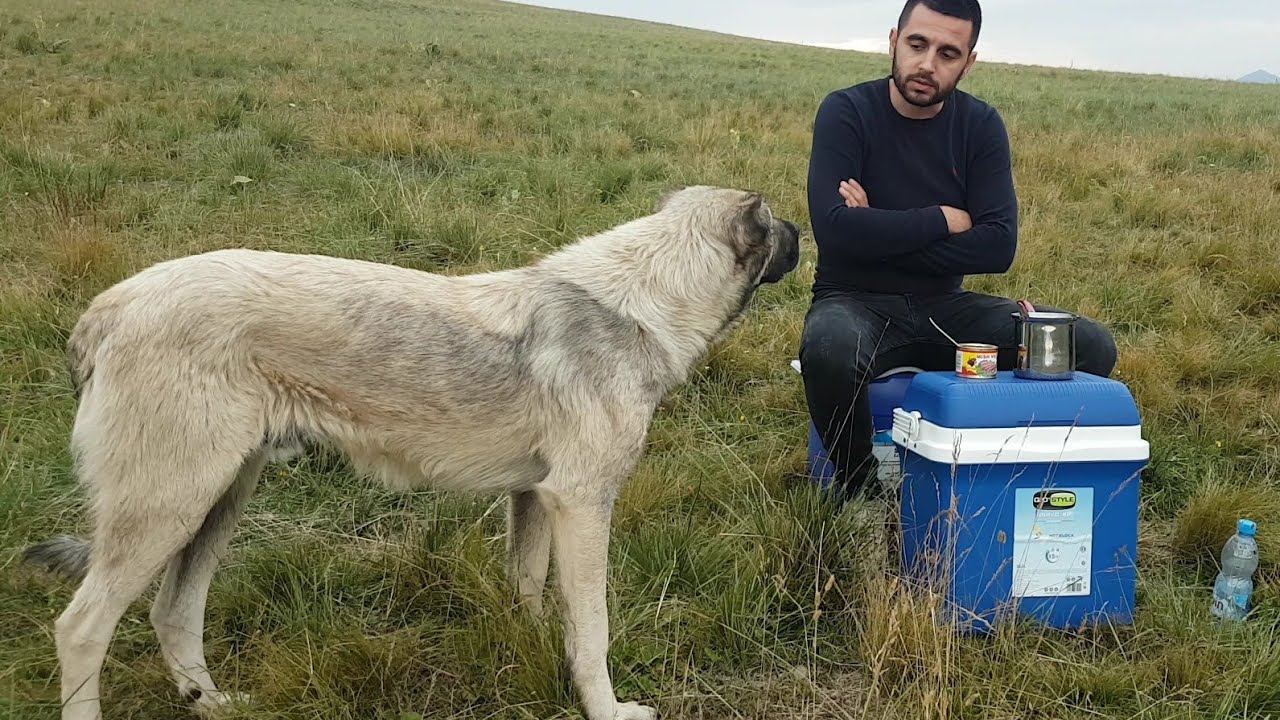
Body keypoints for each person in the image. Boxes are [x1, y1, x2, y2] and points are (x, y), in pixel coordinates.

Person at [798, 0, 1118, 503]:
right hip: (853, 303)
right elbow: (835, 232)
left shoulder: (980, 126)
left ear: (968, 62)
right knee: (829, 347)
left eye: (948, 53)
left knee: (1088, 345)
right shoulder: (847, 112)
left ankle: (997, 470)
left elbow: (997, 246)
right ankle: (860, 490)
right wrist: (941, 220)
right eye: (917, 44)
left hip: (945, 312)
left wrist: (875, 228)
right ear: (893, 41)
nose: (927, 64)